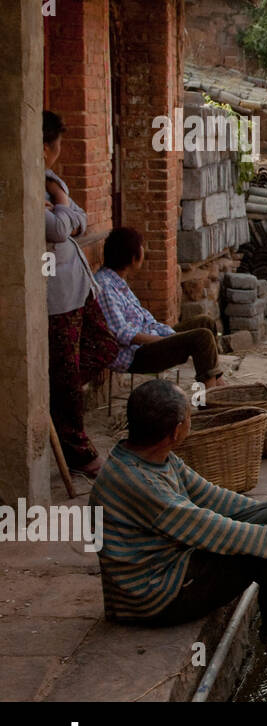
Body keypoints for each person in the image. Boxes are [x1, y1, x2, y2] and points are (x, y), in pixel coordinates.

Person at [90, 379, 267, 658]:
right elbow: (209, 528)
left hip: (174, 567)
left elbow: (211, 497)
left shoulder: (154, 456)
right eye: (189, 417)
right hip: (155, 599)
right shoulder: (141, 484)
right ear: (177, 431)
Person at [44, 110, 120, 476]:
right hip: (55, 298)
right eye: (57, 145)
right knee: (64, 377)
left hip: (78, 290)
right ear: (46, 148)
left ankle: (54, 398)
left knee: (103, 346)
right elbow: (60, 228)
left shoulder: (50, 181)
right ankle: (79, 452)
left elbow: (79, 218)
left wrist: (60, 201)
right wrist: (64, 213)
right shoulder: (23, 182)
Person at [94, 227, 225, 387]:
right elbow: (123, 334)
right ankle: (209, 400)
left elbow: (147, 322)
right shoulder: (104, 286)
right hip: (137, 355)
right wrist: (162, 340)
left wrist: (169, 336)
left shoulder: (118, 281)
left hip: (152, 339)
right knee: (202, 337)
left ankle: (218, 383)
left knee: (206, 322)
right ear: (132, 257)